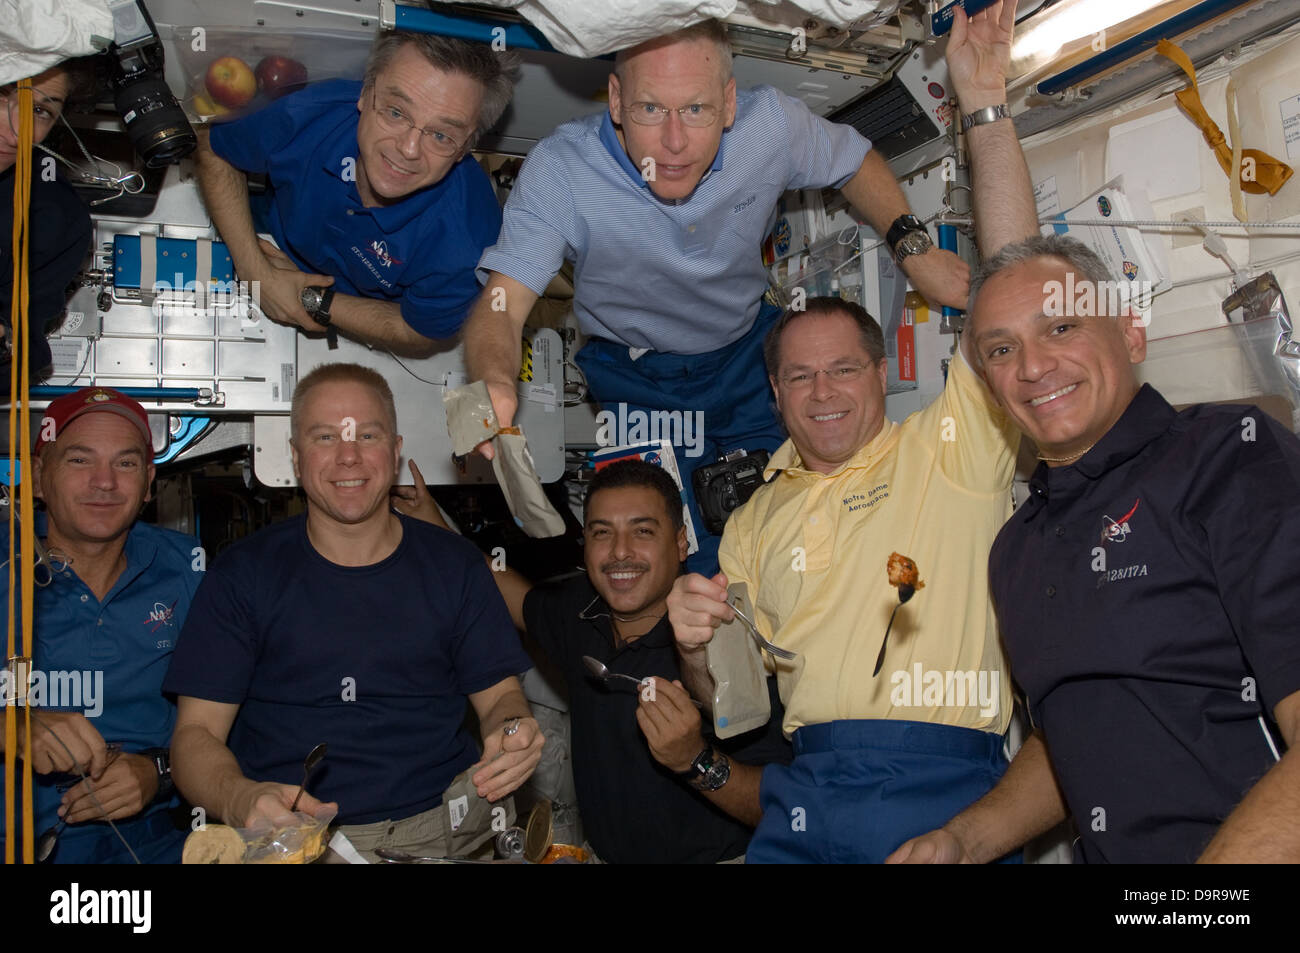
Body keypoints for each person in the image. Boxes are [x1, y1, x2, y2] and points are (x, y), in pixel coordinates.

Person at [887, 0, 1300, 865]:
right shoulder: (1019, 549)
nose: (1034, 364)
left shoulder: (1228, 460)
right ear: (988, 381)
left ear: (1132, 333)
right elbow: (1083, 737)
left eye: (1064, 328)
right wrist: (964, 837)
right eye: (1002, 349)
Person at [465, 19, 969, 571]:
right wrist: (492, 375)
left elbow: (851, 159)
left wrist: (916, 253)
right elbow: (502, 302)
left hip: (745, 355)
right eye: (650, 109)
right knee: (676, 556)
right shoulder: (561, 171)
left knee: (792, 520)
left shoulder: (770, 128)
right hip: (637, 375)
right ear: (615, 100)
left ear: (729, 103)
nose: (674, 142)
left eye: (697, 110)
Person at [164, 363, 543, 861]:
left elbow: (501, 699)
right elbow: (194, 737)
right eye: (326, 437)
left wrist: (513, 732)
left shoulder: (457, 567)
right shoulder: (243, 575)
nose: (348, 456)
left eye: (367, 435)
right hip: (292, 840)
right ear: (296, 458)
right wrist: (238, 797)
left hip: (444, 837)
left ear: (395, 449)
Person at [394, 458, 791, 863]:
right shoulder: (581, 611)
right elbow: (504, 591)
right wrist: (435, 525)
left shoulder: (725, 635)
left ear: (680, 542)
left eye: (642, 531)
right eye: (602, 532)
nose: (620, 551)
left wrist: (695, 760)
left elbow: (776, 808)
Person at [195, 33, 518, 356]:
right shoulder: (307, 112)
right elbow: (213, 147)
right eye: (395, 112)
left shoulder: (470, 245)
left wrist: (311, 299)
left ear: (465, 148)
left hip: (350, 315)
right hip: (264, 240)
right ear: (365, 94)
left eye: (441, 135)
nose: (407, 150)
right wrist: (257, 272)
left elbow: (420, 330)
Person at [0, 387, 202, 863]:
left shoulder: (189, 571)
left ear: (150, 482)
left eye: (126, 464)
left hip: (149, 844)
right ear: (36, 477)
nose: (105, 482)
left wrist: (159, 772)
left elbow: (236, 724)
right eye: (79, 460)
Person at [0, 61, 94, 388]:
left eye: (40, 111)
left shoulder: (53, 216)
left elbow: (18, 358)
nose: (15, 132)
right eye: (1, 92)